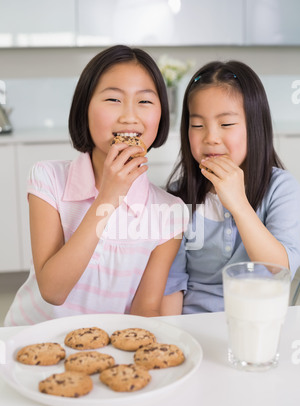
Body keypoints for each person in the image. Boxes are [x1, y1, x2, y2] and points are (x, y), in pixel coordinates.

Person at [5, 45, 187, 326]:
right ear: (84, 107)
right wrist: (109, 197)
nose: (129, 116)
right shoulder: (48, 179)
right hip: (31, 340)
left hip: (106, 351)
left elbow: (145, 309)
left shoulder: (170, 212)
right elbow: (53, 291)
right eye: (113, 99)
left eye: (145, 102)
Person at [161, 60, 300, 315]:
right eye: (197, 125)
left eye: (226, 124)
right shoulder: (178, 196)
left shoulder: (281, 187)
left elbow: (282, 269)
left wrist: (238, 204)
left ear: (254, 127)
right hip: (195, 326)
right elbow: (172, 284)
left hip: (259, 324)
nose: (211, 137)